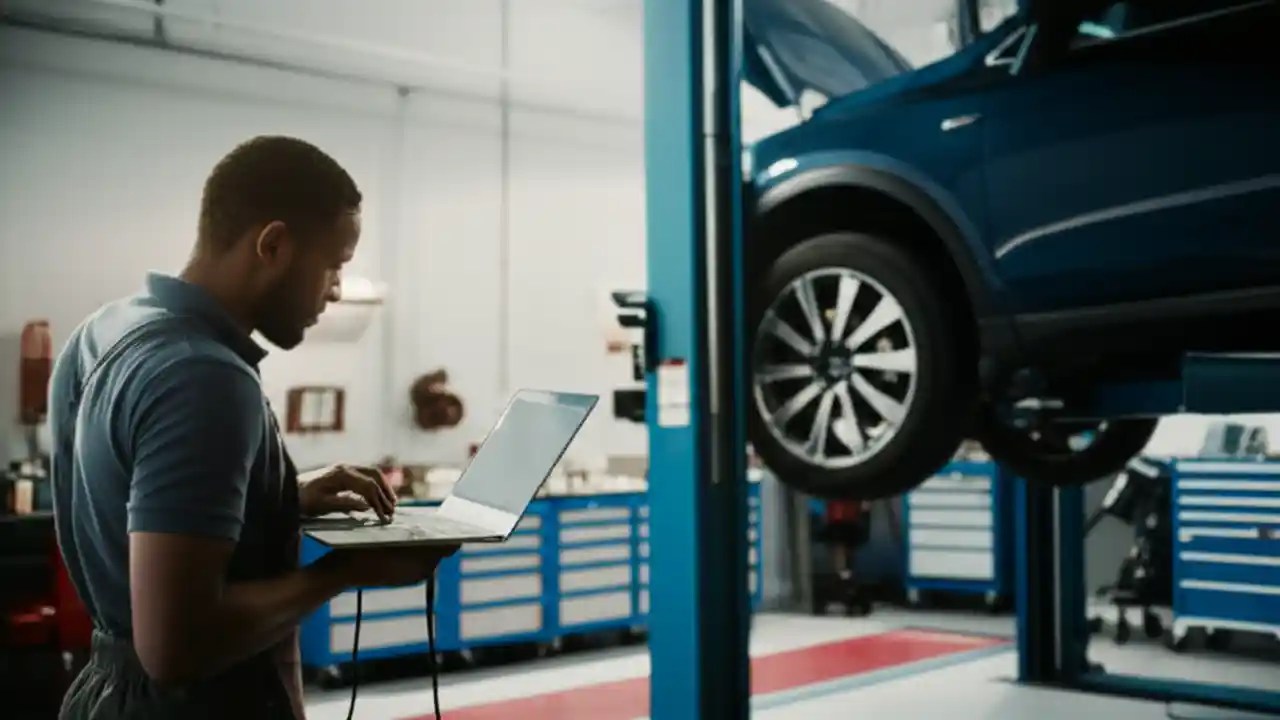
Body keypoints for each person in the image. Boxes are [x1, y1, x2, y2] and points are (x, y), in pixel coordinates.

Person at [49, 135, 456, 719]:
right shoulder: (203, 376)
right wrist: (348, 569)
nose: (336, 291)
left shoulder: (105, 330)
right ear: (273, 245)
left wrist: (277, 499)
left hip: (107, 696)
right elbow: (176, 647)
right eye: (334, 265)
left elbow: (121, 507)